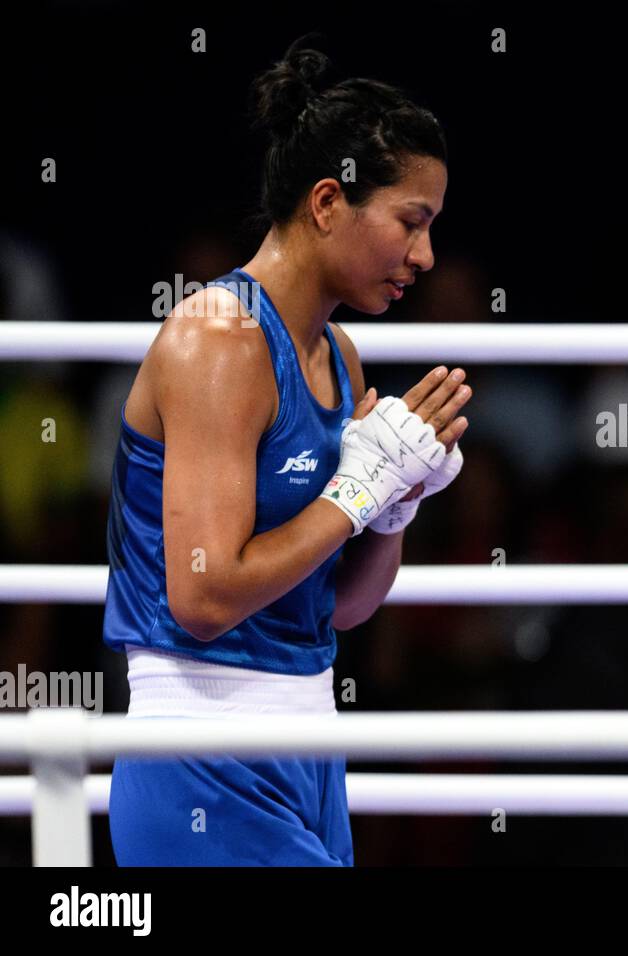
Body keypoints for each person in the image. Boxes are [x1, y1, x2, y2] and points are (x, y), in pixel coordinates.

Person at [102, 36, 470, 866]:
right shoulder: (218, 341)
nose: (426, 257)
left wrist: (393, 504)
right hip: (200, 751)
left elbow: (341, 607)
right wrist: (357, 490)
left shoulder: (338, 355)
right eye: (410, 222)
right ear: (330, 201)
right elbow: (202, 597)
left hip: (308, 742)